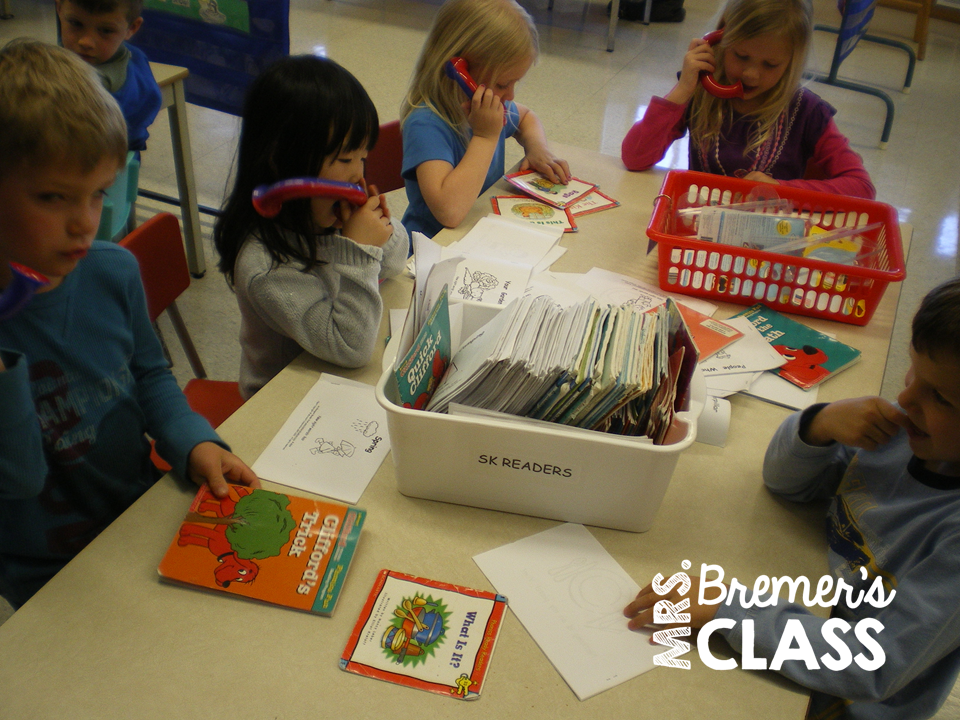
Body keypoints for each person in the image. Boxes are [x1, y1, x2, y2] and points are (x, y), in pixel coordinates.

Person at [624, 276, 960, 719]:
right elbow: (787, 484)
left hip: (849, 703)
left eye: (939, 396)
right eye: (914, 371)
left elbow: (871, 664)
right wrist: (819, 427)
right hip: (811, 624)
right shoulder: (909, 436)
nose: (904, 397)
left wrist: (729, 609)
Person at [0, 40, 259, 610]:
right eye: (52, 197)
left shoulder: (111, 270)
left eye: (97, 194)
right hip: (49, 577)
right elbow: (14, 481)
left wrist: (192, 442)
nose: (84, 223)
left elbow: (150, 378)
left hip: (141, 521)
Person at [214, 55, 408, 400]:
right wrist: (360, 251)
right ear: (282, 160)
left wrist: (378, 231)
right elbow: (351, 348)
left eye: (363, 157)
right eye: (346, 159)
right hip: (282, 401)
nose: (359, 174)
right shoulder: (265, 265)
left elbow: (395, 263)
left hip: (329, 376)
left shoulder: (325, 216)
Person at [620, 0, 875, 199]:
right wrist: (681, 92)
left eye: (770, 64)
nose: (751, 74)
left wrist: (781, 188)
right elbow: (634, 158)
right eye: (741, 56)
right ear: (719, 39)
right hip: (700, 233)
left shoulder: (809, 112)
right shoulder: (699, 92)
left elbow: (862, 188)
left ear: (792, 63)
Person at [400, 0, 571, 238]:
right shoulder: (426, 124)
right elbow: (449, 212)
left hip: (479, 238)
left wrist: (537, 147)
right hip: (429, 254)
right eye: (503, 84)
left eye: (515, 83)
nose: (510, 95)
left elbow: (527, 117)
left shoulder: (488, 108)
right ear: (458, 70)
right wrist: (485, 137)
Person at [56, 0, 162, 153]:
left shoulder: (100, 89)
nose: (86, 42)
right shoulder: (134, 55)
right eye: (75, 23)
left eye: (105, 31)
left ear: (131, 27)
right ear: (59, 8)